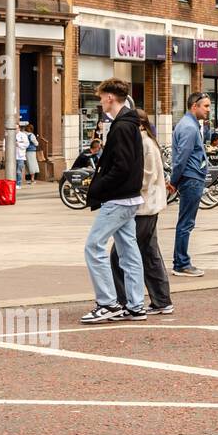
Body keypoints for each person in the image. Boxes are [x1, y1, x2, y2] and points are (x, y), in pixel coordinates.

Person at [79, 79, 148, 324]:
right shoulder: (130, 124)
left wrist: (98, 185)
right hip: (130, 197)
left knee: (94, 247)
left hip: (118, 199)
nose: (100, 102)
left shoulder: (120, 127)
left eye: (101, 98)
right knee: (129, 251)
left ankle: (107, 303)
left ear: (110, 97)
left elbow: (121, 167)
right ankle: (136, 304)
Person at [107, 109, 173, 315]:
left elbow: (146, 177)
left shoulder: (144, 144)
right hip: (147, 207)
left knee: (119, 256)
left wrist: (121, 187)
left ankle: (124, 302)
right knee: (148, 254)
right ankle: (161, 300)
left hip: (143, 208)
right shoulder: (145, 142)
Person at [169, 91, 210, 278]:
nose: (208, 110)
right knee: (186, 223)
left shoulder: (190, 125)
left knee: (186, 222)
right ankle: (182, 264)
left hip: (191, 177)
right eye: (206, 106)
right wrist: (174, 181)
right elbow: (181, 158)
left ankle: (181, 262)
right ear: (195, 106)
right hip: (191, 178)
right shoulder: (189, 127)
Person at [14, 122, 29, 187]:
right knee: (13, 171)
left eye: (16, 128)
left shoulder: (23, 135)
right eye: (14, 128)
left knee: (18, 171)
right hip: (13, 156)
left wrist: (19, 144)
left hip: (20, 156)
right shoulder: (11, 135)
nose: (15, 130)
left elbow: (26, 144)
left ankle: (18, 184)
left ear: (19, 128)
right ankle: (13, 183)